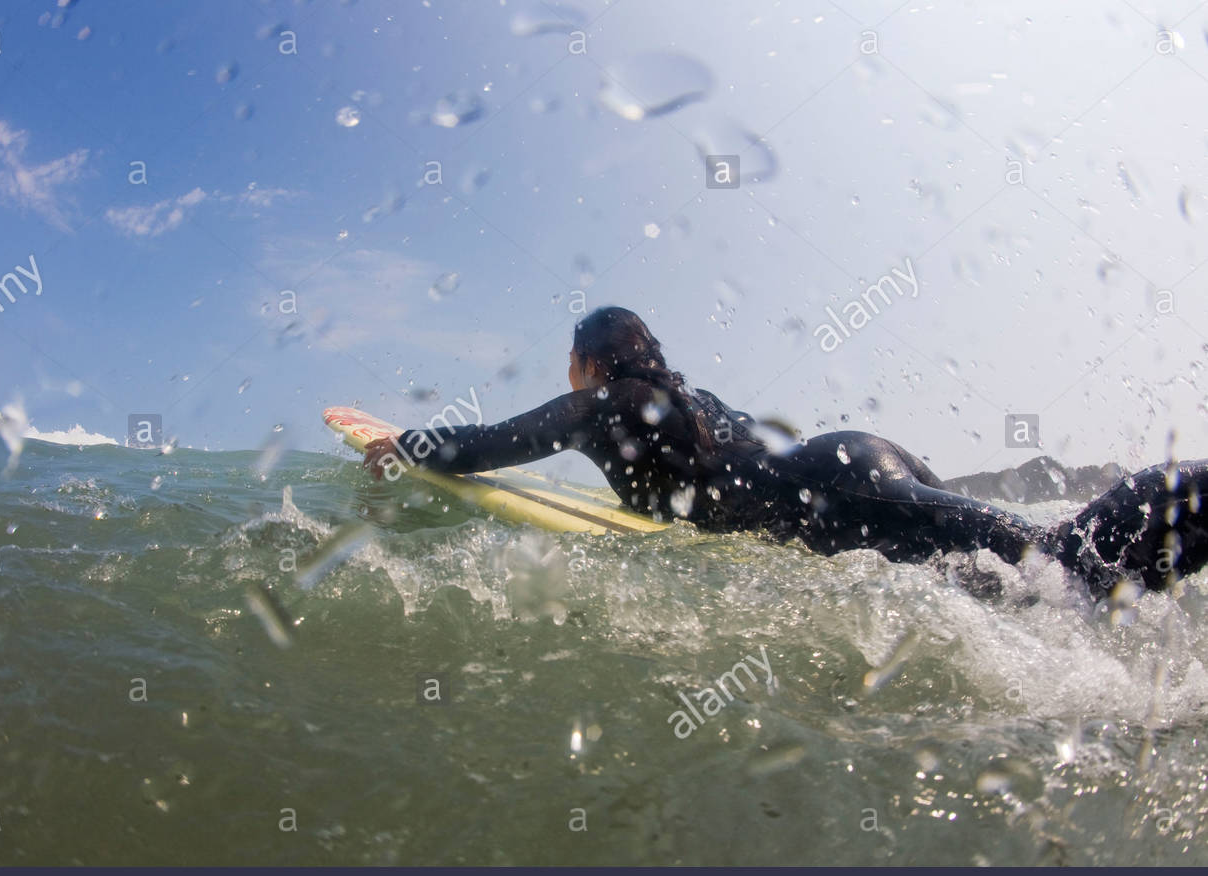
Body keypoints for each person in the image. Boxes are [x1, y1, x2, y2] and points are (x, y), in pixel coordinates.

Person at [362, 306, 1208, 597]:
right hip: (859, 460)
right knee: (1007, 580)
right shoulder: (681, 398)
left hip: (840, 501)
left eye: (571, 360)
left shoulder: (601, 404)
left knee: (1062, 564)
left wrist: (404, 445)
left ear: (590, 361)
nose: (568, 374)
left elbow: (492, 443)